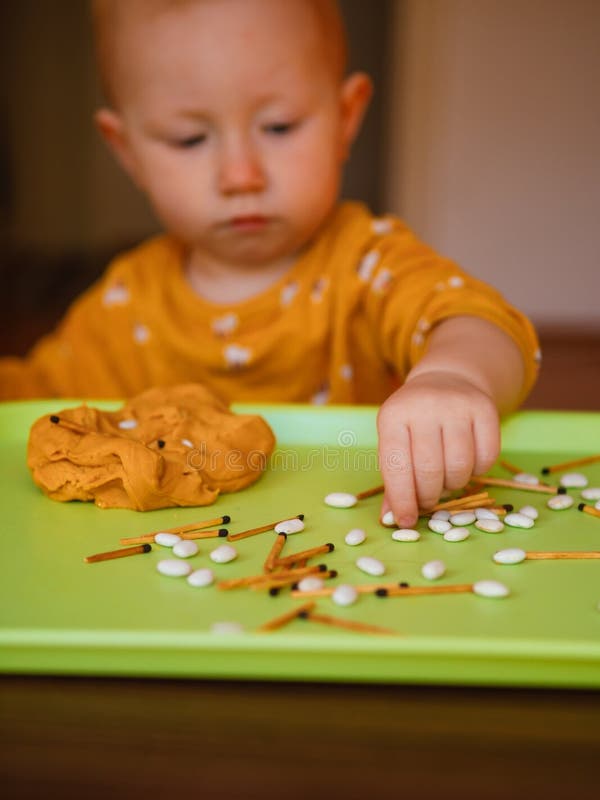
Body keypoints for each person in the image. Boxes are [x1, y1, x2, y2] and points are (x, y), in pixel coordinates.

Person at [0, 0, 540, 527]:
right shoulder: (126, 304)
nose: (241, 175)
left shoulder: (367, 262)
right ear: (128, 152)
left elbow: (482, 324)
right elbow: (32, 407)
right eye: (189, 138)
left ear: (346, 117)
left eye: (279, 127)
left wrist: (454, 373)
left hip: (362, 553)